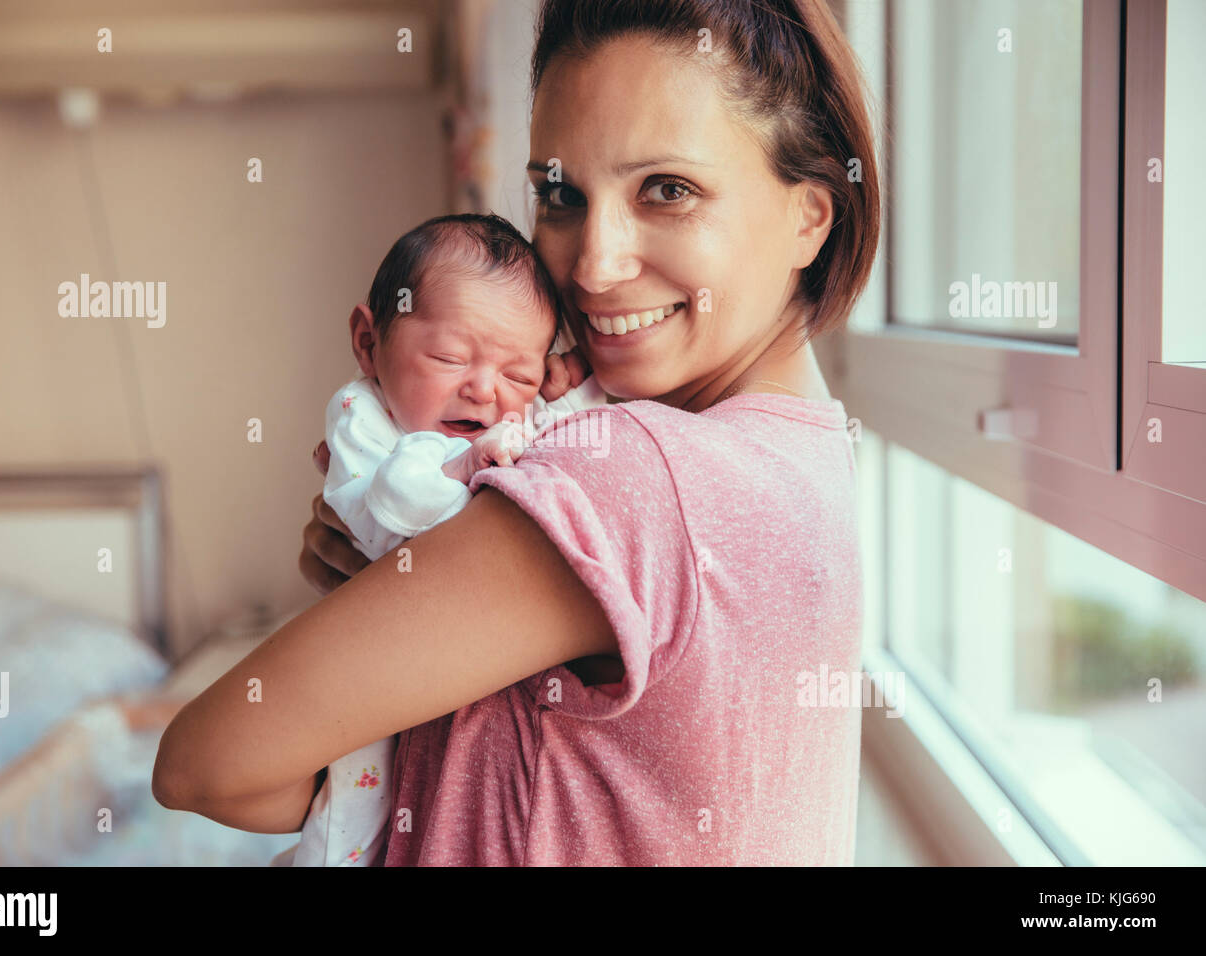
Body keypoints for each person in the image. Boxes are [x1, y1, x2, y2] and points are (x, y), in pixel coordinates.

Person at [154, 0, 880, 865]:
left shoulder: (631, 475)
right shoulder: (804, 455)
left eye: (668, 190)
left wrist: (374, 609)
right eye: (562, 194)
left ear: (811, 215)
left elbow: (202, 764)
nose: (593, 265)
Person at [278, 212, 604, 866]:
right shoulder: (360, 419)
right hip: (374, 666)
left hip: (447, 676)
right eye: (450, 358)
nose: (484, 388)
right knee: (351, 815)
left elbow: (560, 431)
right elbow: (398, 505)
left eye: (518, 375)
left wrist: (572, 388)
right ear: (369, 345)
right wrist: (469, 461)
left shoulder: (494, 418)